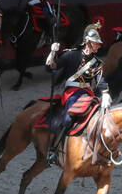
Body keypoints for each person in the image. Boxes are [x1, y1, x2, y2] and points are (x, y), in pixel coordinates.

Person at [43, 20, 109, 166]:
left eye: (98, 43)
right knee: (67, 119)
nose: (98, 45)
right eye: (96, 43)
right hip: (72, 92)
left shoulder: (97, 63)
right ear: (88, 42)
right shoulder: (71, 55)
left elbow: (100, 82)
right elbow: (52, 67)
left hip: (87, 93)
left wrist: (105, 94)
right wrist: (53, 52)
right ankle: (54, 150)